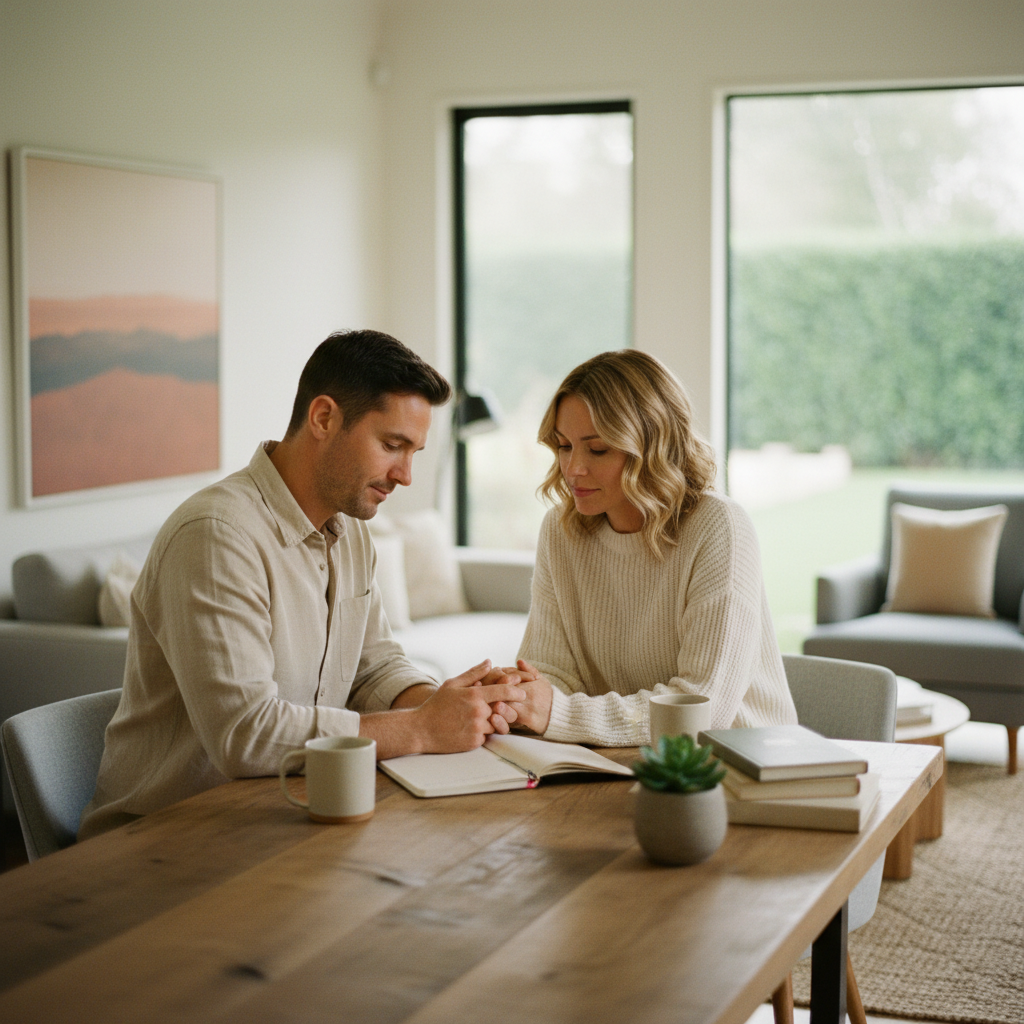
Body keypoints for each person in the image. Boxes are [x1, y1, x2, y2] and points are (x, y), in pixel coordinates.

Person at [80, 330, 524, 840]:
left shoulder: (351, 530)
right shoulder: (216, 536)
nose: (404, 475)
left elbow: (372, 667)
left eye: (414, 452)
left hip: (284, 814)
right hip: (166, 839)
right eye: (392, 445)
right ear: (323, 418)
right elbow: (245, 735)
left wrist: (449, 703)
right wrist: (422, 729)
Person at [502, 349, 797, 747]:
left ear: (652, 444)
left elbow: (700, 711)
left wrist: (557, 711)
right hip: (622, 762)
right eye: (564, 446)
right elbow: (551, 671)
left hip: (734, 770)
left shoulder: (718, 527)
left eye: (598, 449)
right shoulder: (560, 530)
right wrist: (519, 696)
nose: (573, 469)